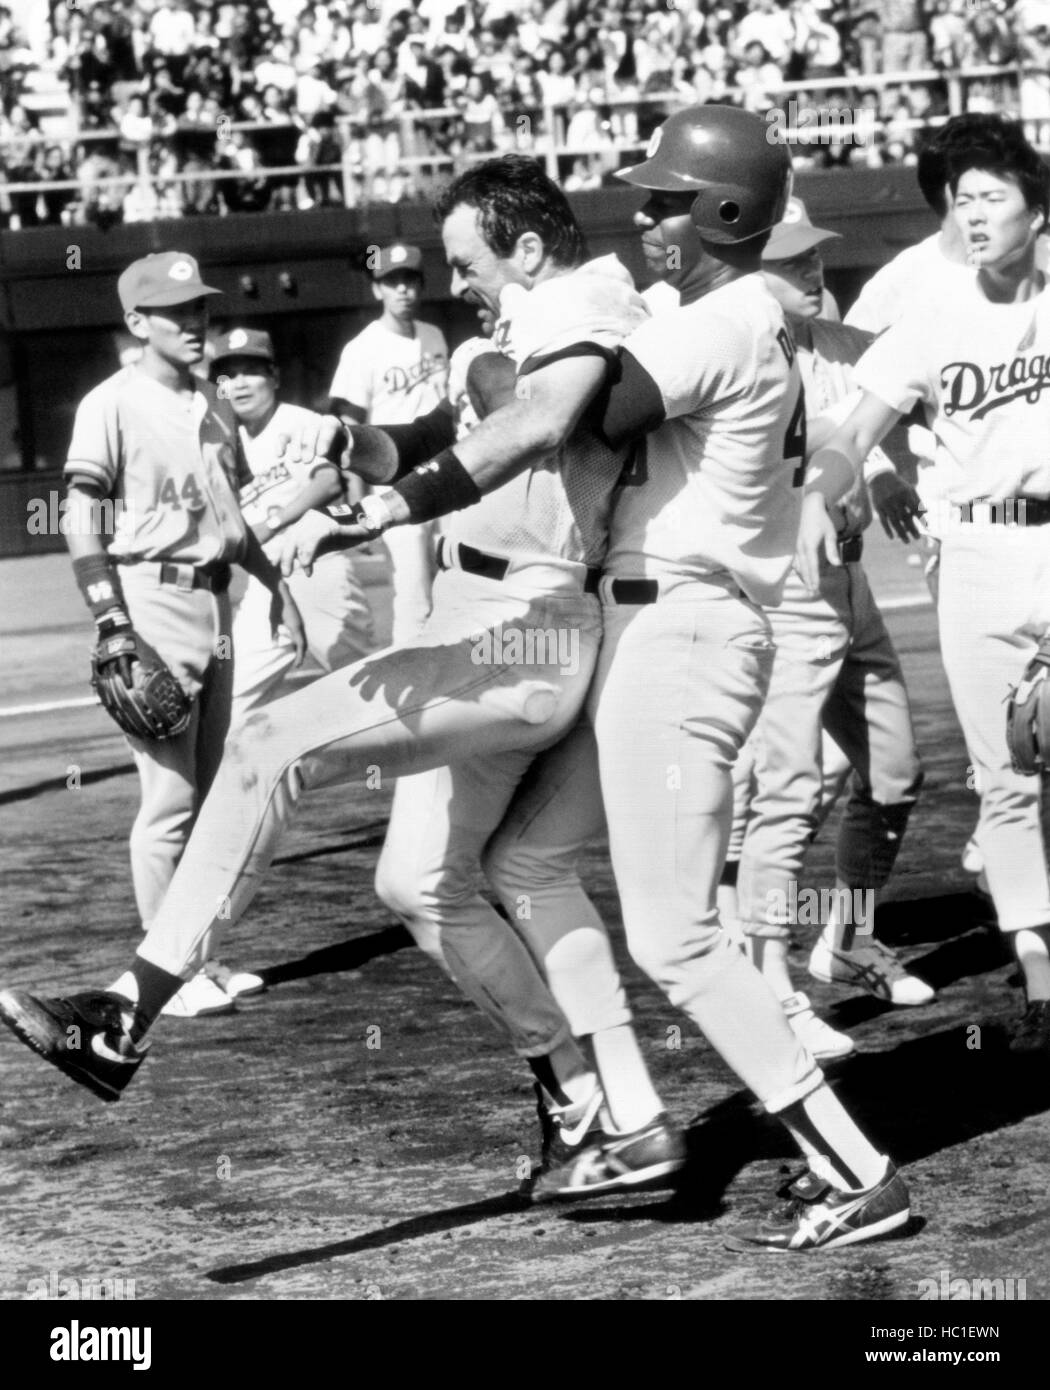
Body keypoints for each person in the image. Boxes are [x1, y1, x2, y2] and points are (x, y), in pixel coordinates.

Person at [0, 163, 684, 1204]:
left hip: (529, 628)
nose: (465, 287)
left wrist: (391, 502)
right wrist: (355, 447)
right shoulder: (525, 325)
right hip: (483, 617)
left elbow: (536, 426)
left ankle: (124, 1015)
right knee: (419, 885)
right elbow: (445, 432)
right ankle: (579, 1094)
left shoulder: (581, 297)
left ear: (530, 247)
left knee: (268, 737)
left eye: (471, 264)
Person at [798, 117, 1050, 1057]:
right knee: (1007, 778)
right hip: (975, 555)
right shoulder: (924, 305)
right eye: (961, 195)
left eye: (991, 195)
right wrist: (835, 488)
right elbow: (849, 431)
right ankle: (1040, 989)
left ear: (1036, 210)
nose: (971, 211)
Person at [53, 254, 303, 1019]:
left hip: (215, 601)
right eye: (176, 313)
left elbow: (230, 518)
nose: (195, 322)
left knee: (215, 793)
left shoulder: (212, 401)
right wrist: (110, 615)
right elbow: (79, 509)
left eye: (198, 308)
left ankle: (198, 955)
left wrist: (276, 585)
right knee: (170, 796)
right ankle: (167, 973)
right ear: (137, 324)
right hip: (149, 597)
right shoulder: (113, 402)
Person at [722, 197, 927, 1064]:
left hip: (846, 584)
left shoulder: (845, 345)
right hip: (769, 595)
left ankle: (845, 937)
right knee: (781, 791)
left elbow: (882, 414)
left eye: (816, 256)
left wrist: (883, 474)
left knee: (894, 774)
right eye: (792, 259)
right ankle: (763, 987)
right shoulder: (725, 350)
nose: (814, 271)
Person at [209, 328, 377, 722]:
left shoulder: (299, 421)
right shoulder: (224, 442)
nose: (239, 384)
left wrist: (274, 521)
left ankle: (430, 767)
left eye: (252, 371)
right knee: (230, 709)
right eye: (229, 376)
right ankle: (276, 782)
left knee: (369, 695)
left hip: (316, 570)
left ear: (275, 378)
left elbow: (329, 480)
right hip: (267, 584)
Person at [328, 244, 449, 643]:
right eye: (392, 282)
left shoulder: (433, 336)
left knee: (455, 581)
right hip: (397, 480)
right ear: (377, 289)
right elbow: (349, 428)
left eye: (410, 281)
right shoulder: (362, 349)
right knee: (415, 595)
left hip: (448, 470)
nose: (403, 290)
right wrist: (356, 497)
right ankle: (412, 682)